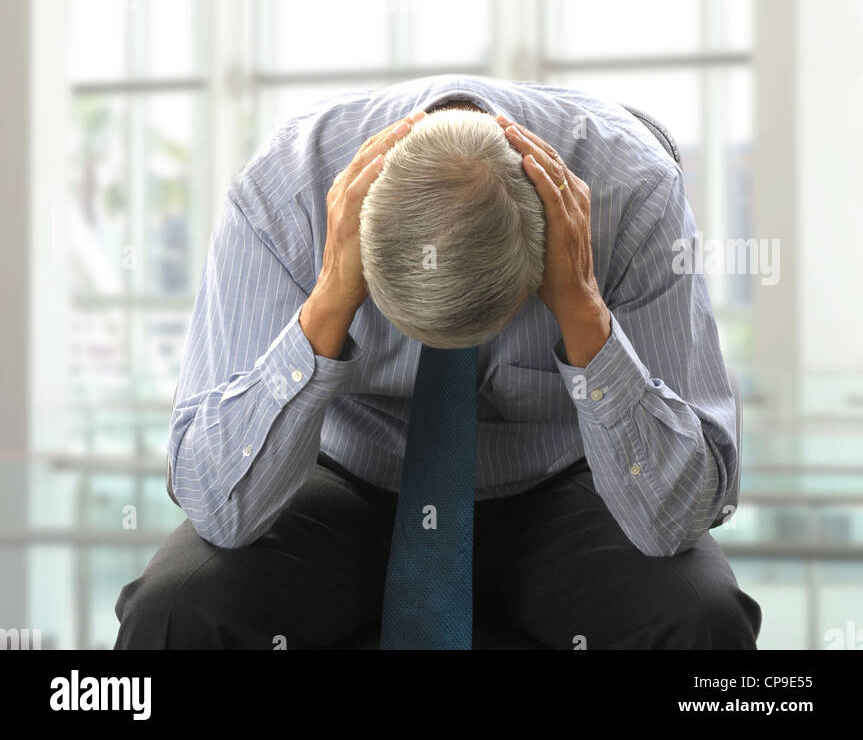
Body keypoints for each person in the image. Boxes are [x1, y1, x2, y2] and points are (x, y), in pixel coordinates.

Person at [114, 73, 761, 650]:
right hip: (348, 472)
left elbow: (677, 514)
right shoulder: (283, 192)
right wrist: (327, 304)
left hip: (566, 478)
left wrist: (582, 310)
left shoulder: (634, 188)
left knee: (701, 620)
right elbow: (214, 501)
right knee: (175, 614)